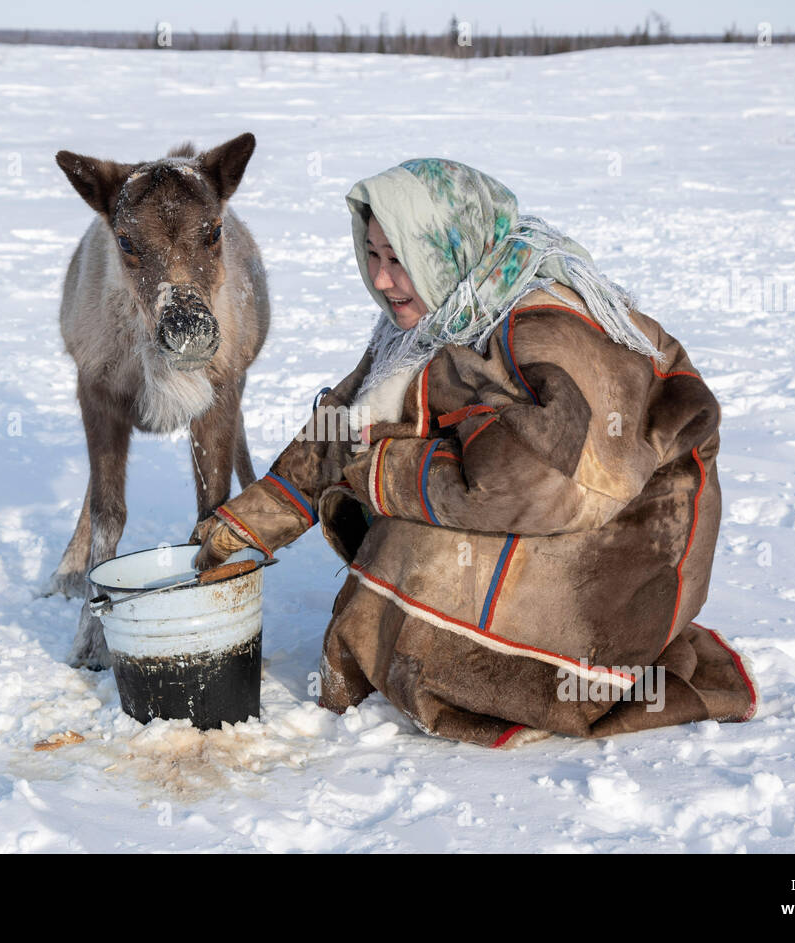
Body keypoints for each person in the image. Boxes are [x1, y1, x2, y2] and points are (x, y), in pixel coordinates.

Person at [189, 158, 757, 748]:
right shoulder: (438, 316)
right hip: (556, 512)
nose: (382, 281)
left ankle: (535, 669)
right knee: (405, 529)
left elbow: (556, 487)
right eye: (374, 256)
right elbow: (341, 431)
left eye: (399, 258)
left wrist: (384, 473)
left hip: (625, 555)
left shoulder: (546, 327)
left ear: (444, 249)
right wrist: (241, 530)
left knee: (415, 548)